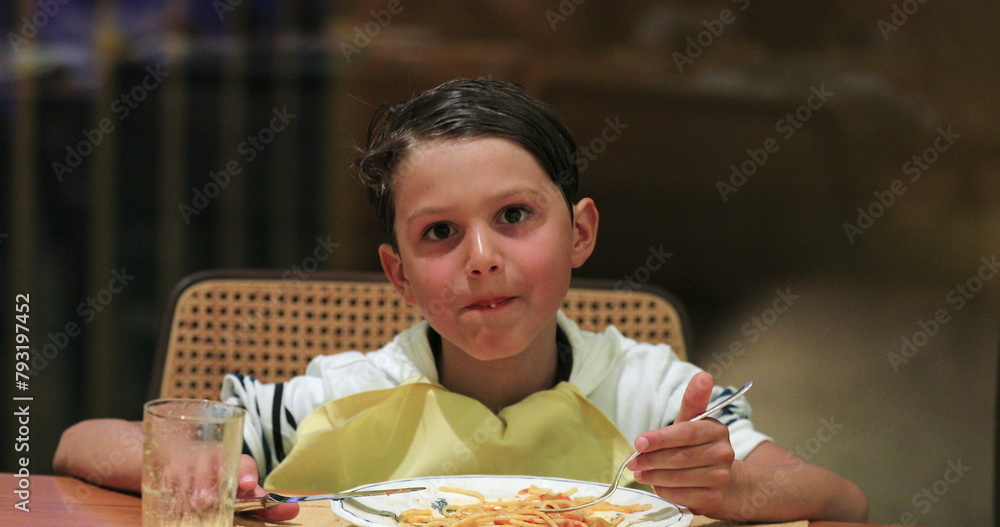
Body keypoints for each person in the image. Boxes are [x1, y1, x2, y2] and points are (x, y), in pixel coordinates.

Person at [54, 78, 868, 522]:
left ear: (580, 231)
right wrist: (202, 461)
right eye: (439, 232)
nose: (481, 259)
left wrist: (732, 490)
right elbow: (79, 442)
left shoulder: (650, 392)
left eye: (514, 217)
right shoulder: (342, 396)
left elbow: (841, 499)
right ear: (399, 272)